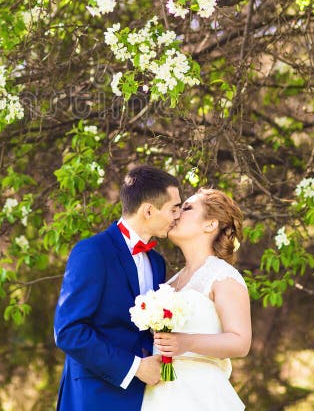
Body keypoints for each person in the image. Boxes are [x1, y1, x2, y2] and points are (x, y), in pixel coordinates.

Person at [54, 165, 183, 411]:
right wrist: (135, 367)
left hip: (143, 396)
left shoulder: (156, 262)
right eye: (173, 209)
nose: (177, 216)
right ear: (148, 210)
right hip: (93, 396)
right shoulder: (93, 251)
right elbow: (69, 331)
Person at [142, 188, 251, 411]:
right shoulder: (170, 283)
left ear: (210, 224)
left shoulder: (223, 276)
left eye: (187, 208)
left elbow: (240, 343)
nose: (176, 213)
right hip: (157, 395)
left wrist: (186, 343)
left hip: (200, 395)